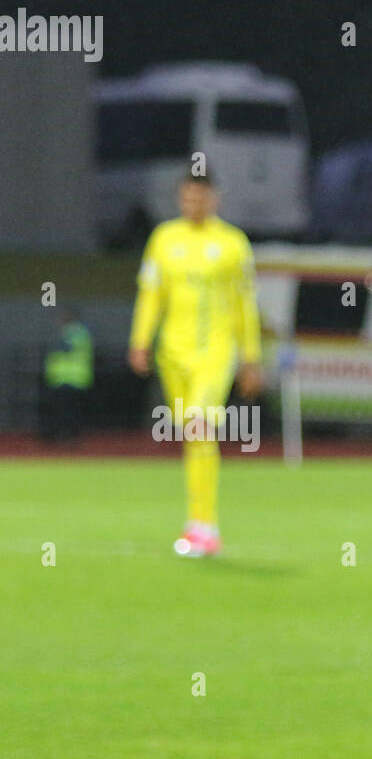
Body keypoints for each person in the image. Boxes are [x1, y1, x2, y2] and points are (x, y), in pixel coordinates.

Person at [128, 170, 263, 557]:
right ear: (179, 198)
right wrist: (140, 340)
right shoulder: (164, 239)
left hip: (215, 353)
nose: (193, 203)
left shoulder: (233, 244)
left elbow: (244, 305)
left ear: (214, 198)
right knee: (192, 436)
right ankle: (196, 522)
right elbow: (152, 295)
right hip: (174, 354)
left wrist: (250, 357)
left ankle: (205, 525)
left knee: (200, 425)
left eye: (200, 196)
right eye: (187, 196)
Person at [42, 309, 94, 442]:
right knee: (66, 411)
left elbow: (65, 348)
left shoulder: (75, 332)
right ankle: (66, 436)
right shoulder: (77, 332)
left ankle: (67, 437)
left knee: (67, 411)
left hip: (71, 379)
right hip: (65, 380)